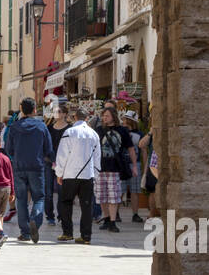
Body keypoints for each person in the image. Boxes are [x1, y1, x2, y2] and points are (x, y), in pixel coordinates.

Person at [4, 96, 53, 243]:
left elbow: (9, 149)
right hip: (37, 166)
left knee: (21, 200)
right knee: (39, 197)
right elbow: (49, 149)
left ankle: (25, 233)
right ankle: (35, 221)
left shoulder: (14, 127)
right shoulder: (41, 126)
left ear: (21, 110)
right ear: (34, 110)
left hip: (19, 167)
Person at [53, 106, 101, 244]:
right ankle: (86, 236)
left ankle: (67, 233)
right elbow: (97, 157)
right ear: (87, 119)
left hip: (70, 174)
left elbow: (62, 155)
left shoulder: (69, 132)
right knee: (87, 206)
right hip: (87, 175)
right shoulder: (94, 134)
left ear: (75, 118)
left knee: (66, 203)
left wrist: (59, 173)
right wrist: (95, 173)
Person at [96, 103, 137, 233]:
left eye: (107, 116)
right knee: (101, 196)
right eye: (103, 116)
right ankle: (106, 218)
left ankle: (113, 221)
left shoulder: (122, 130)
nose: (104, 118)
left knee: (114, 196)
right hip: (100, 168)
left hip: (115, 168)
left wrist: (134, 165)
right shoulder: (99, 130)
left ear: (113, 116)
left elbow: (131, 149)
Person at [44, 104, 71, 230]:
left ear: (65, 114)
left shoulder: (70, 129)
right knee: (48, 192)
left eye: (59, 111)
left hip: (64, 163)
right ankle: (50, 216)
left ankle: (61, 215)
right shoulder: (48, 128)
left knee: (62, 191)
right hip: (49, 162)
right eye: (55, 112)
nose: (57, 114)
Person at [121, 109, 145, 223]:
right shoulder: (121, 132)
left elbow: (143, 151)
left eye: (125, 119)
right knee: (120, 190)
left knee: (135, 191)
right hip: (123, 163)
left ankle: (135, 214)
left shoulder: (140, 134)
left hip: (135, 163)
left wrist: (144, 167)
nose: (123, 121)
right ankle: (115, 213)